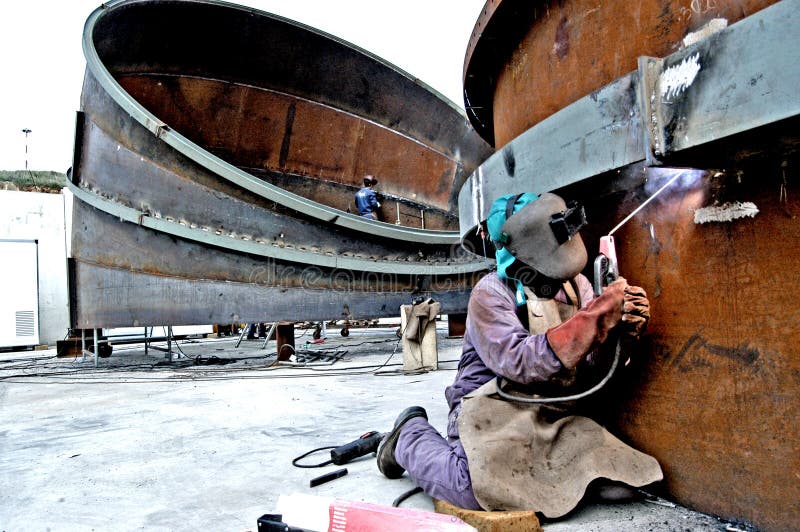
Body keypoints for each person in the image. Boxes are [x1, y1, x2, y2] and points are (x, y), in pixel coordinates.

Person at [376, 192, 662, 518]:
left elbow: (590, 370)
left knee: (619, 480)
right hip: (489, 409)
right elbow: (522, 363)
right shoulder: (490, 293)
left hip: (549, 410)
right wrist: (592, 320)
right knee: (467, 487)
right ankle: (409, 435)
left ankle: (544, 472)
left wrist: (620, 335)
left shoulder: (576, 285)